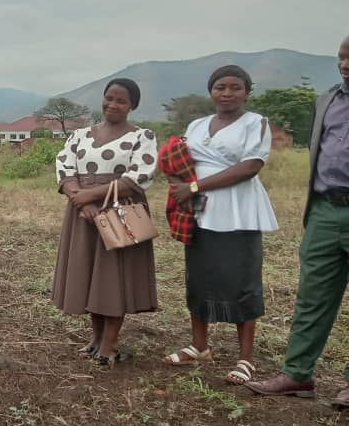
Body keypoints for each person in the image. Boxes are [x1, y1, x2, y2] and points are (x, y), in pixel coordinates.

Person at [247, 35, 349, 406]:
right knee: (312, 297)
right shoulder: (327, 100)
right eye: (341, 57)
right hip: (324, 209)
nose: (345, 65)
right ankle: (297, 374)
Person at [162, 66, 277, 385]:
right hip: (200, 212)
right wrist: (179, 184)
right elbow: (181, 159)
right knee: (198, 277)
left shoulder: (256, 123)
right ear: (211, 91)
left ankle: (246, 359)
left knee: (242, 281)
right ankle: (199, 347)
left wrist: (195, 187)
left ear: (247, 92)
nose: (227, 93)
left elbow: (250, 167)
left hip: (239, 211)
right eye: (220, 87)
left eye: (235, 87)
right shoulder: (197, 124)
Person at [53, 78, 158, 367]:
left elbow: (138, 177)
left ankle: (109, 345)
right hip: (83, 216)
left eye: (121, 101)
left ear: (132, 106)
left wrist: (90, 196)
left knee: (114, 279)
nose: (113, 104)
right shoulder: (80, 135)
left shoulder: (142, 137)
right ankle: (96, 340)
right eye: (109, 98)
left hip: (120, 213)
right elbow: (64, 168)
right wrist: (83, 201)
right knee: (90, 277)